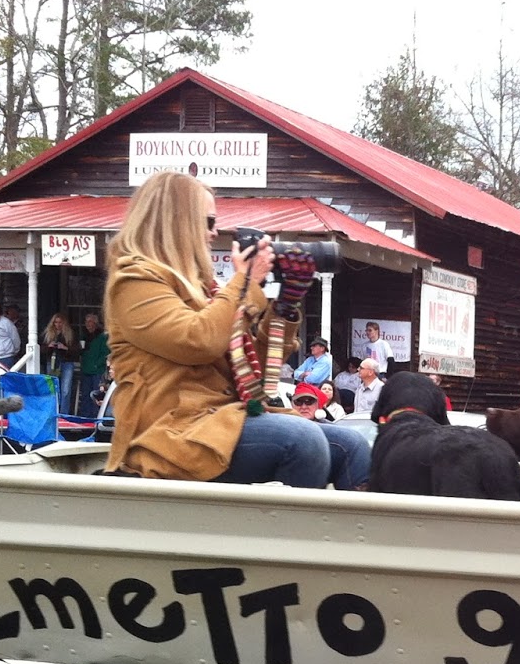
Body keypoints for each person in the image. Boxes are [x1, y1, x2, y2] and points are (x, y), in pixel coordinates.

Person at [102, 170, 347, 488]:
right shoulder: (134, 280)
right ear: (177, 223)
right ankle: (293, 537)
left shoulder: (209, 290)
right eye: (207, 222)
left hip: (219, 421)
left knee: (349, 446)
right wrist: (245, 281)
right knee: (304, 440)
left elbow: (253, 370)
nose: (213, 233)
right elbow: (198, 341)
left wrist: (286, 303)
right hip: (170, 435)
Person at [76, 313, 109, 419]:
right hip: (86, 368)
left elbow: (106, 353)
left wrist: (97, 364)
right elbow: (82, 351)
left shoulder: (102, 336)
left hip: (97, 370)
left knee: (96, 394)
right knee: (85, 394)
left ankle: (96, 417)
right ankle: (85, 417)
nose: (88, 324)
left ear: (95, 323)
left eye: (90, 321)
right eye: (86, 322)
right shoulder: (84, 336)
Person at [41, 312, 77, 407]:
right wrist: (49, 346)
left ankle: (63, 413)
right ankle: (53, 410)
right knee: (52, 388)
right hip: (52, 362)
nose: (58, 325)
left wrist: (65, 348)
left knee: (65, 390)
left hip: (66, 362)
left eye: (60, 322)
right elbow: (41, 349)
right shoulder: (48, 334)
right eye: (56, 322)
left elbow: (77, 350)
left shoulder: (70, 334)